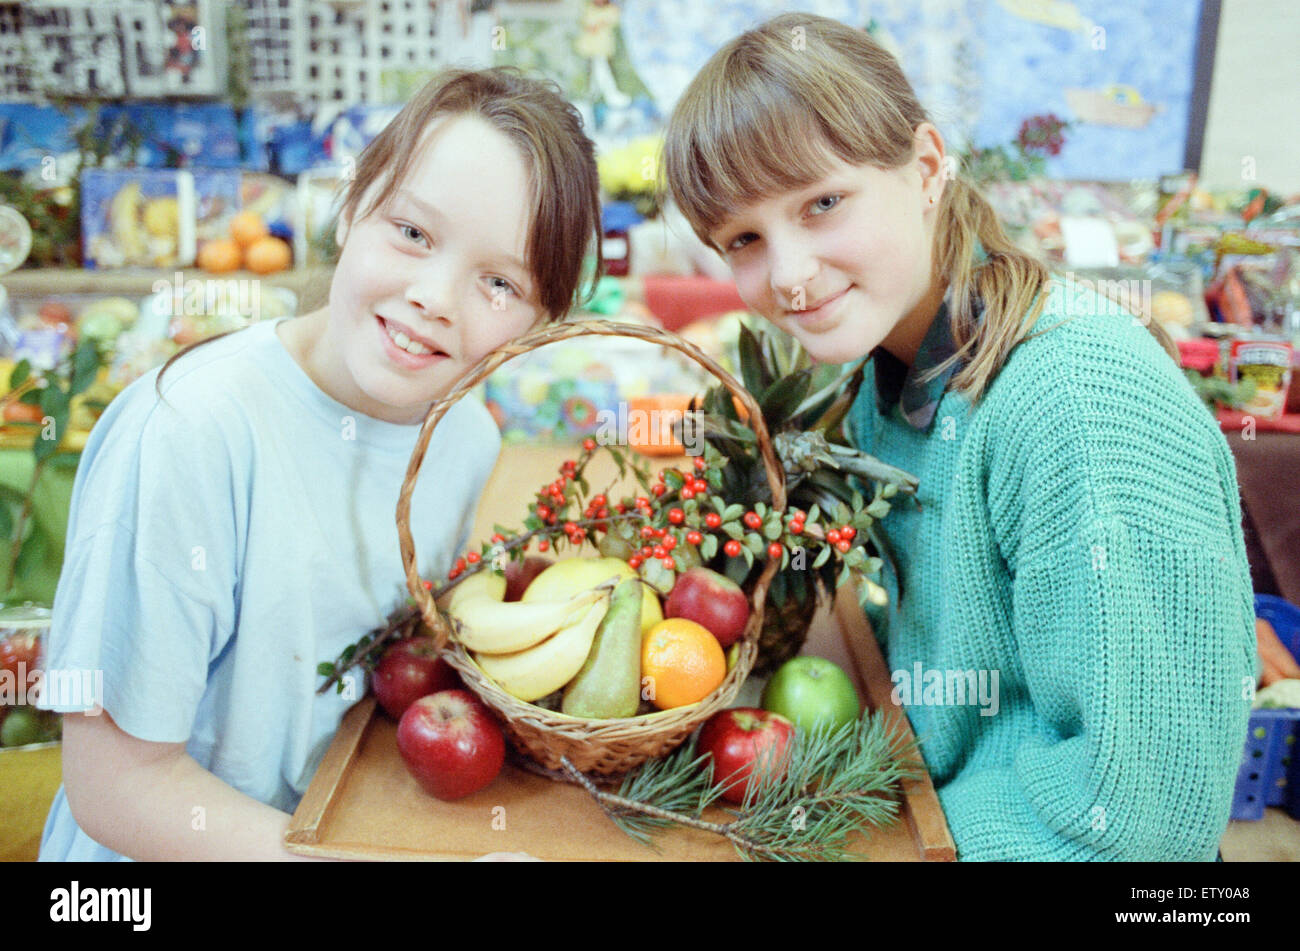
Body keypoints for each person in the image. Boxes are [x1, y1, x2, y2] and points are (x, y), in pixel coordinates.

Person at [662, 14, 1255, 861]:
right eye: (744, 239)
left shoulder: (1077, 398)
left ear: (927, 165)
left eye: (822, 203)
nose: (789, 275)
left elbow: (1139, 818)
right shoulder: (884, 367)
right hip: (923, 809)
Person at [37, 68, 602, 861]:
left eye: (500, 282)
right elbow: (116, 786)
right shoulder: (190, 432)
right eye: (413, 232)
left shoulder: (465, 436)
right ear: (349, 206)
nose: (435, 297)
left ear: (539, 327)